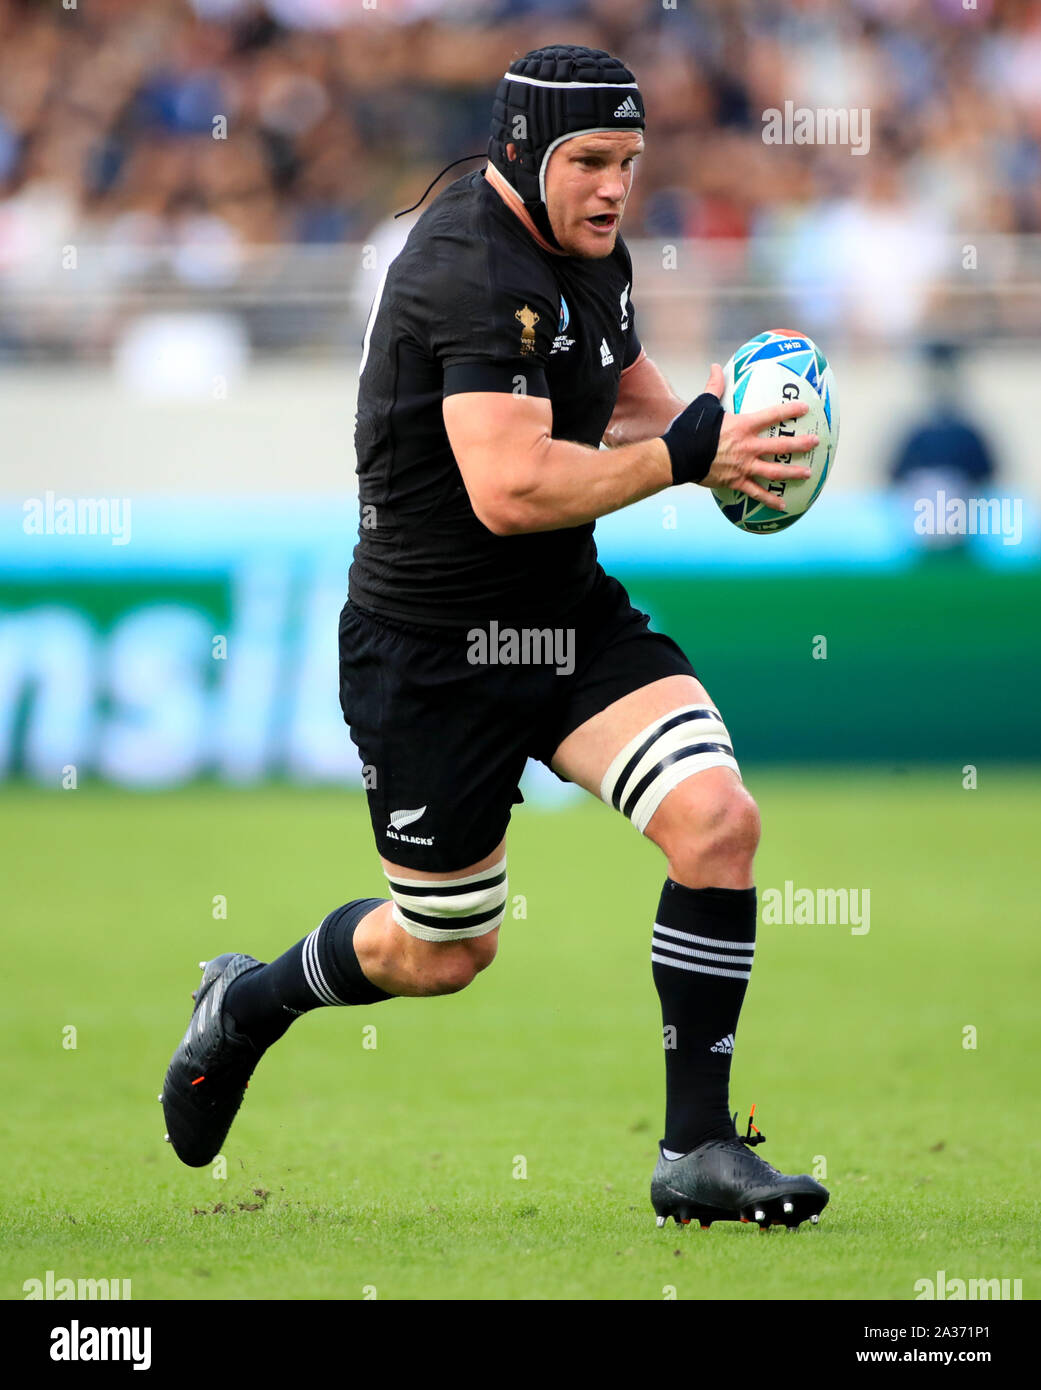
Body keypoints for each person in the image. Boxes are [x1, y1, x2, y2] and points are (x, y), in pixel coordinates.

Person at [161, 43, 829, 1232]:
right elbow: (509, 487)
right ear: (524, 151)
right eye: (591, 161)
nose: (616, 187)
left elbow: (620, 382)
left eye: (630, 160)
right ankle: (247, 1004)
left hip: (563, 619)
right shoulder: (466, 264)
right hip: (430, 654)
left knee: (717, 821)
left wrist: (718, 431)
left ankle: (698, 1149)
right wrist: (690, 458)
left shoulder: (585, 239)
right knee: (445, 948)